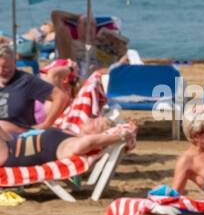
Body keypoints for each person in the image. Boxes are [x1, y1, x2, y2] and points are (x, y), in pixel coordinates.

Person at [0, 116, 136, 169]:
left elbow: (88, 143)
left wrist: (120, 137)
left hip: (11, 157)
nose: (90, 119)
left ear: (97, 135)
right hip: (10, 146)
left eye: (96, 122)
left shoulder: (71, 143)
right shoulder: (69, 134)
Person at [0, 43, 69, 134]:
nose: (1, 71)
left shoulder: (26, 81)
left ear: (14, 63)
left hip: (19, 139)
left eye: (6, 67)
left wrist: (46, 124)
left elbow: (60, 97)